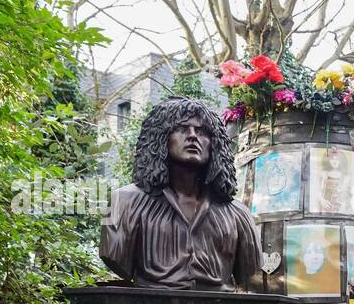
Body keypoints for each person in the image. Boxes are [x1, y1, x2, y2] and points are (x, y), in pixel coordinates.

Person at [101, 97, 259, 290]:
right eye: (182, 129)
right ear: (160, 138)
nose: (193, 136)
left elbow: (249, 271)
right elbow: (115, 258)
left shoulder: (239, 214)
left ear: (214, 144)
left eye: (201, 131)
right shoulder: (124, 203)